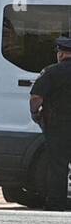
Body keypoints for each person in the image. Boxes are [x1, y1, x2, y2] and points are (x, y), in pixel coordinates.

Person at [29, 35, 71, 212]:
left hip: (58, 126)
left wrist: (35, 113)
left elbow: (36, 98)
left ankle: (56, 203)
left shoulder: (51, 72)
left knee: (58, 165)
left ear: (61, 54)